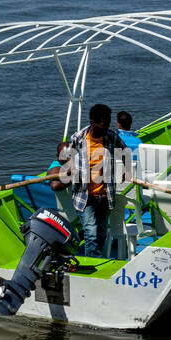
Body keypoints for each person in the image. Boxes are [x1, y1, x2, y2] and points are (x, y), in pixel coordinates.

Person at [65, 104, 126, 257]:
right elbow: (69, 156)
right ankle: (94, 264)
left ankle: (95, 258)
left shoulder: (111, 137)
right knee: (91, 232)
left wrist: (126, 169)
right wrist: (71, 166)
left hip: (105, 195)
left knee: (101, 232)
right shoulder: (78, 138)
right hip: (84, 196)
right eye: (103, 124)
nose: (106, 127)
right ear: (93, 122)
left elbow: (124, 151)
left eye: (108, 123)